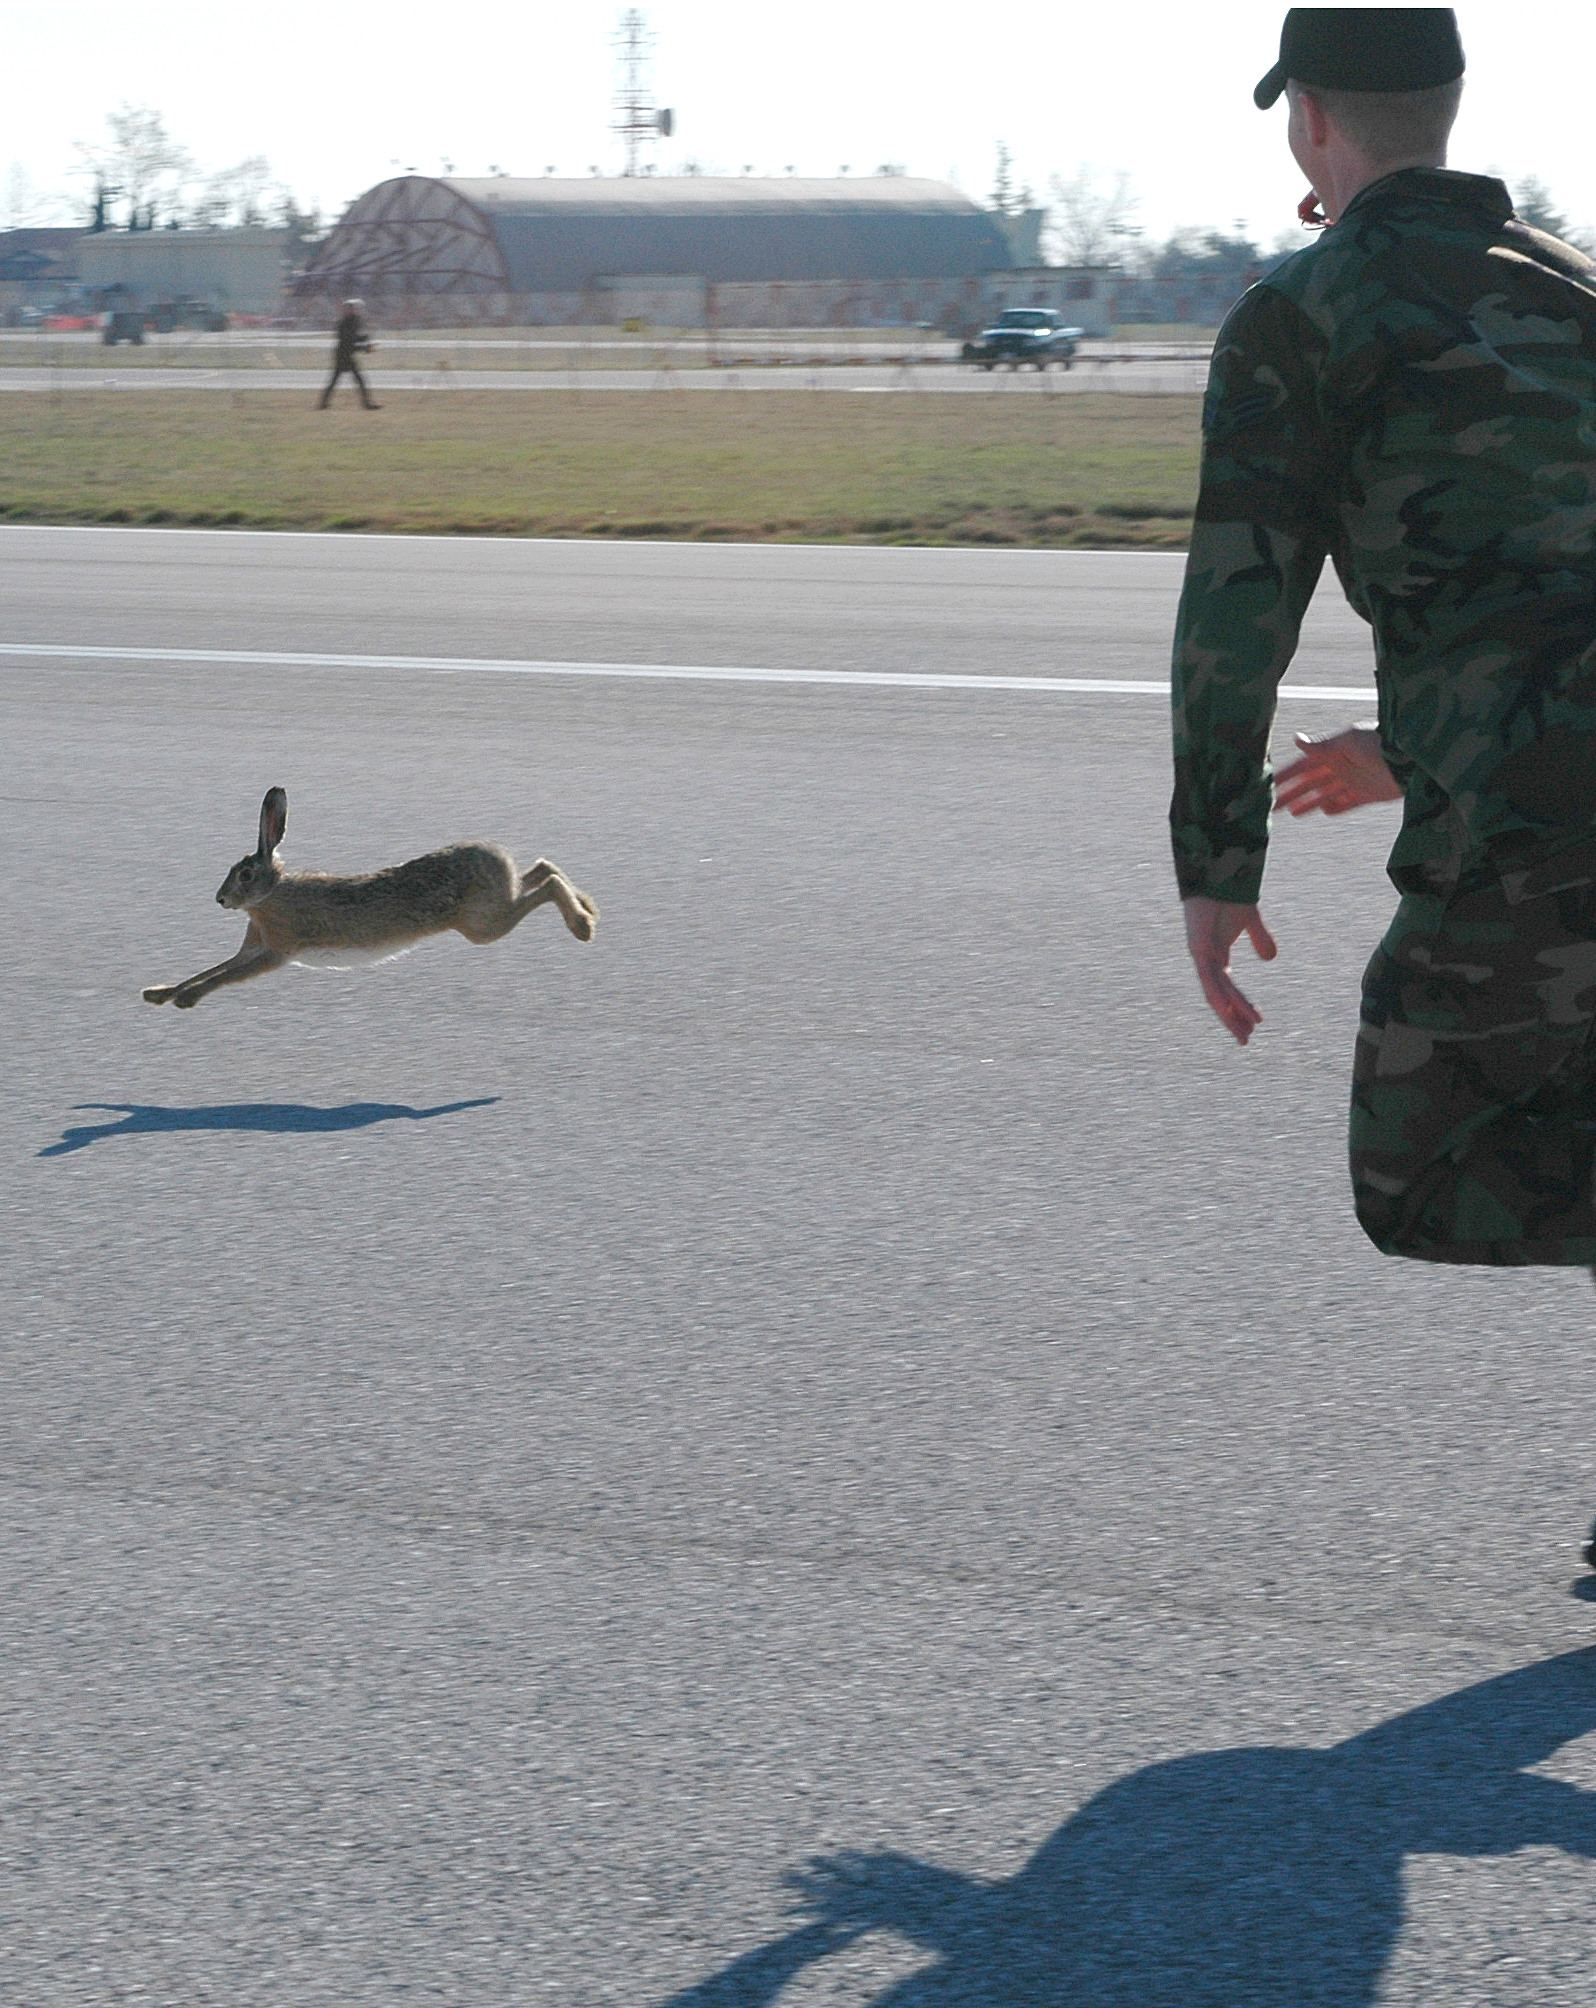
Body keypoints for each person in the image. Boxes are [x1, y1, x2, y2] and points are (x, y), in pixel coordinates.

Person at [1171, 12, 1596, 1544]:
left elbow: (1237, 612)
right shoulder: (1579, 286)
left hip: (1525, 834)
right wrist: (1411, 748)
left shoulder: (1302, 315)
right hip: (1535, 784)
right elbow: (1554, 588)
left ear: (1311, 127)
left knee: (1417, 1163)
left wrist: (1218, 863)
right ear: (1453, 108)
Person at [318, 297, 380, 409]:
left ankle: (323, 404)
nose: (356, 310)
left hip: (347, 355)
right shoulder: (343, 323)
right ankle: (367, 404)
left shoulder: (354, 321)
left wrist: (365, 339)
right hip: (343, 356)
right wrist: (364, 347)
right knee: (341, 381)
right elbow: (348, 342)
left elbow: (354, 338)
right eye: (354, 308)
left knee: (354, 380)